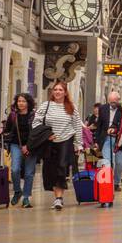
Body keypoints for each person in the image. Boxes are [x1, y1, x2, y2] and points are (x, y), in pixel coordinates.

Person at [33, 79, 84, 211]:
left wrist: (78, 144)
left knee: (62, 168)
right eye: (55, 89)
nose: (57, 92)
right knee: (50, 169)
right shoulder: (46, 106)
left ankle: (59, 198)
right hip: (49, 141)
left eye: (60, 90)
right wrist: (46, 135)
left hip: (66, 140)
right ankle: (56, 194)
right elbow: (36, 122)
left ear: (65, 92)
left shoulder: (71, 107)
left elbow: (77, 126)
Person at [4, 92, 38, 208]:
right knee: (14, 169)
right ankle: (17, 191)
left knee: (29, 173)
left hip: (31, 146)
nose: (21, 103)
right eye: (19, 101)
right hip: (15, 145)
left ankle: (26, 198)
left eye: (23, 101)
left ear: (28, 103)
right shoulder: (13, 115)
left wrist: (28, 146)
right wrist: (1, 130)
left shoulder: (34, 116)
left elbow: (36, 133)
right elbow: (7, 129)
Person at [99, 89, 122, 192]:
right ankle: (108, 184)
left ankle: (117, 182)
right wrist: (97, 141)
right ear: (108, 100)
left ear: (119, 100)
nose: (113, 104)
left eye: (115, 102)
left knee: (119, 163)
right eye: (111, 102)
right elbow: (99, 125)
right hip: (106, 139)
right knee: (107, 162)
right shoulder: (103, 108)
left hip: (119, 139)